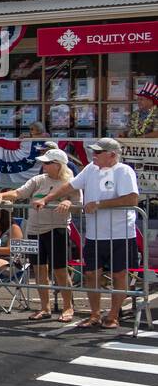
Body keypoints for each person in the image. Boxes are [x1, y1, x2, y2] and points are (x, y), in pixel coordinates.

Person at [40, 137, 140, 329]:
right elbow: (70, 186)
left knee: (120, 275)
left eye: (98, 152)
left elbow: (132, 198)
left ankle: (113, 314)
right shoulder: (90, 169)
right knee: (91, 275)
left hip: (121, 233)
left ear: (112, 155)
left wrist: (100, 205)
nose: (93, 155)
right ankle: (94, 314)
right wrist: (47, 198)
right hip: (94, 234)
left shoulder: (124, 171)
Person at [0, 148, 78, 322]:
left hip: (58, 229)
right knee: (39, 270)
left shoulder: (71, 182)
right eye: (43, 163)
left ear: (58, 165)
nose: (43, 166)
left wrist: (68, 201)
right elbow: (19, 193)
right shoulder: (38, 180)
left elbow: (79, 204)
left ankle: (68, 307)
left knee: (60, 270)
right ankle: (44, 308)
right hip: (34, 230)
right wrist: (2, 194)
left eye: (47, 163)